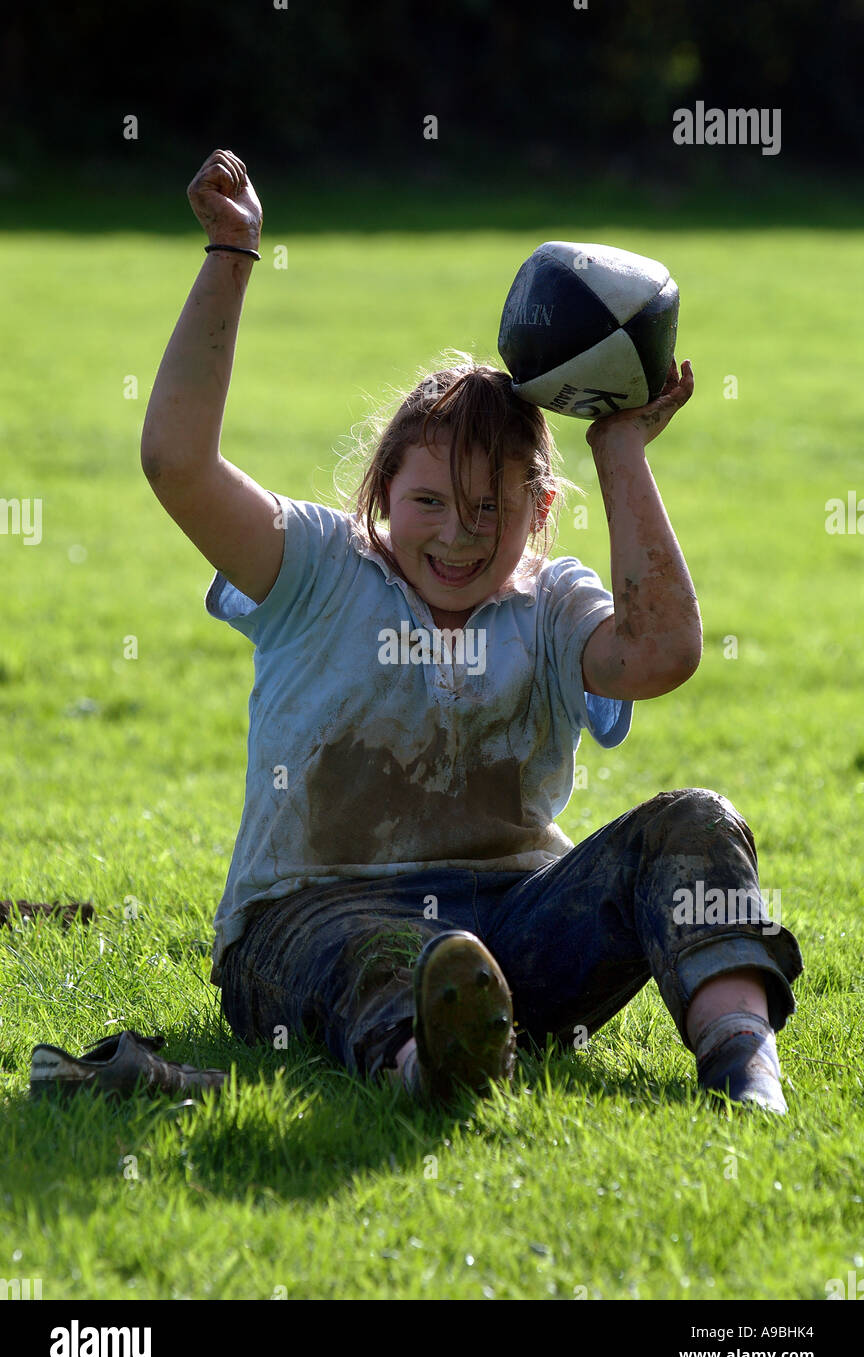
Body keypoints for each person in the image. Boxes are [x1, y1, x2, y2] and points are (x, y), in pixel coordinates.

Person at [140, 149, 803, 1113]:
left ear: (540, 514)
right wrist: (230, 252)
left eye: (492, 510)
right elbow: (175, 462)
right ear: (380, 495)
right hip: (313, 916)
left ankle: (745, 1075)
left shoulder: (553, 605)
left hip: (517, 925)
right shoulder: (318, 570)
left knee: (692, 824)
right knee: (390, 955)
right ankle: (435, 1070)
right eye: (428, 502)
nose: (457, 536)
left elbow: (662, 653)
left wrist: (617, 448)